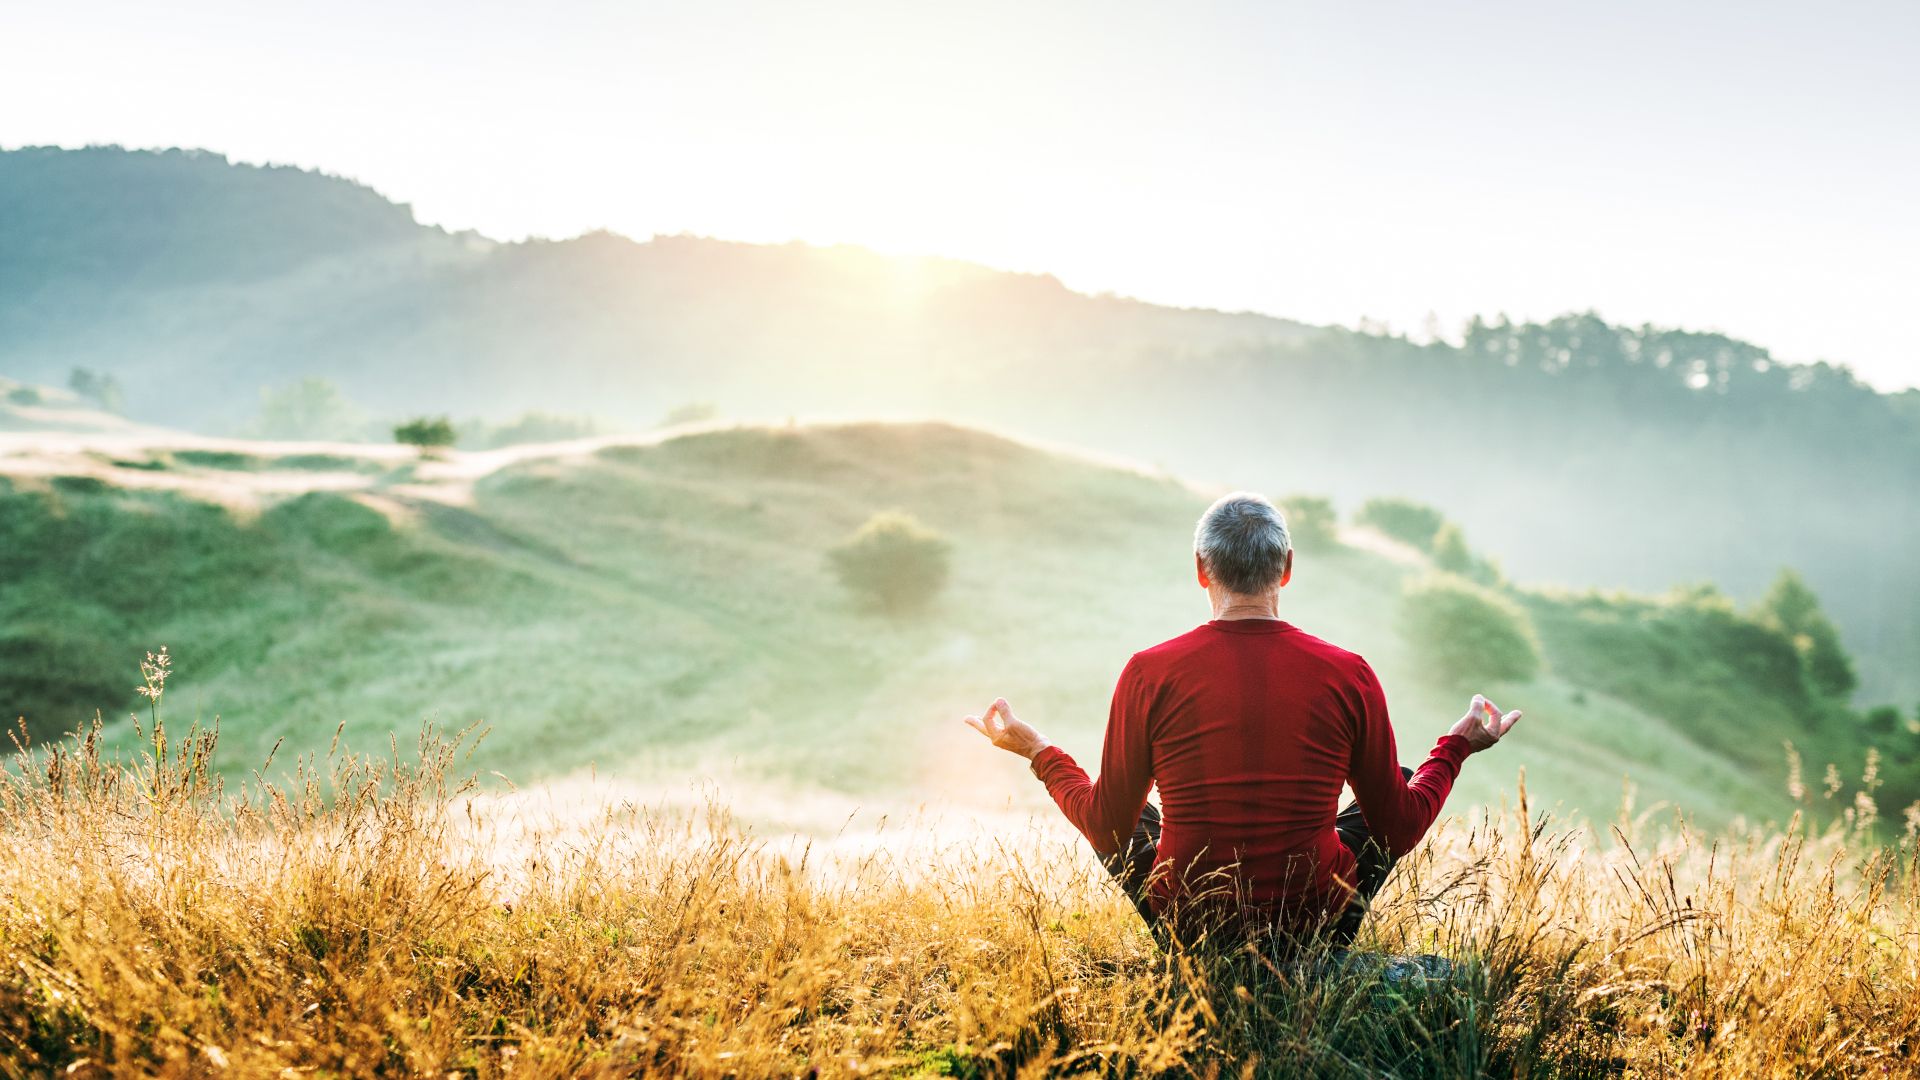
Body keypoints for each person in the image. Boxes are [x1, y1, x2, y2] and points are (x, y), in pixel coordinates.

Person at [964, 492, 1520, 951]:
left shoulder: (1147, 673)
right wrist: (1457, 746)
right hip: (1314, 924)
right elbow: (1398, 828)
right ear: (1288, 568)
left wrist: (1040, 752)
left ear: (1201, 572)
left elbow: (1109, 828)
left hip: (1189, 923)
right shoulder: (1349, 674)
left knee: (1126, 813)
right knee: (1396, 782)